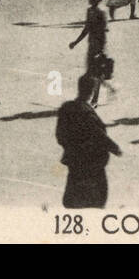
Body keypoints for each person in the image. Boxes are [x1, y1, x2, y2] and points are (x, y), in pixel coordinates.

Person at [55, 74, 122, 208]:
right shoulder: (86, 112)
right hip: (91, 163)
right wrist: (114, 148)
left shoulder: (66, 108)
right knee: (97, 198)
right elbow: (99, 135)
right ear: (91, 91)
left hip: (73, 160)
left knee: (73, 197)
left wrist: (70, 147)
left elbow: (60, 135)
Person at [70, 0, 112, 106]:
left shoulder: (102, 12)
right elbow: (86, 28)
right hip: (91, 45)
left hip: (99, 46)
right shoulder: (89, 11)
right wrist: (75, 42)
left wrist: (102, 50)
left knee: (96, 74)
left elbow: (103, 32)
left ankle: (95, 99)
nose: (89, 0)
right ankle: (111, 89)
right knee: (90, 72)